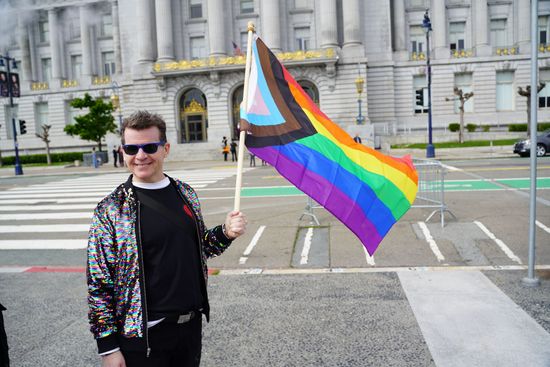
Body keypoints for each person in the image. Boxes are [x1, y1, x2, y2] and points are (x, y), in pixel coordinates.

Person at [87, 111, 247, 367]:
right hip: (143, 336)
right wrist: (108, 347)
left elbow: (200, 247)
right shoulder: (111, 209)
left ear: (165, 149)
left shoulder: (185, 192)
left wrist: (226, 232)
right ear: (123, 151)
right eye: (131, 148)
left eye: (150, 147)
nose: (140, 156)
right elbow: (98, 283)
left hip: (189, 327)